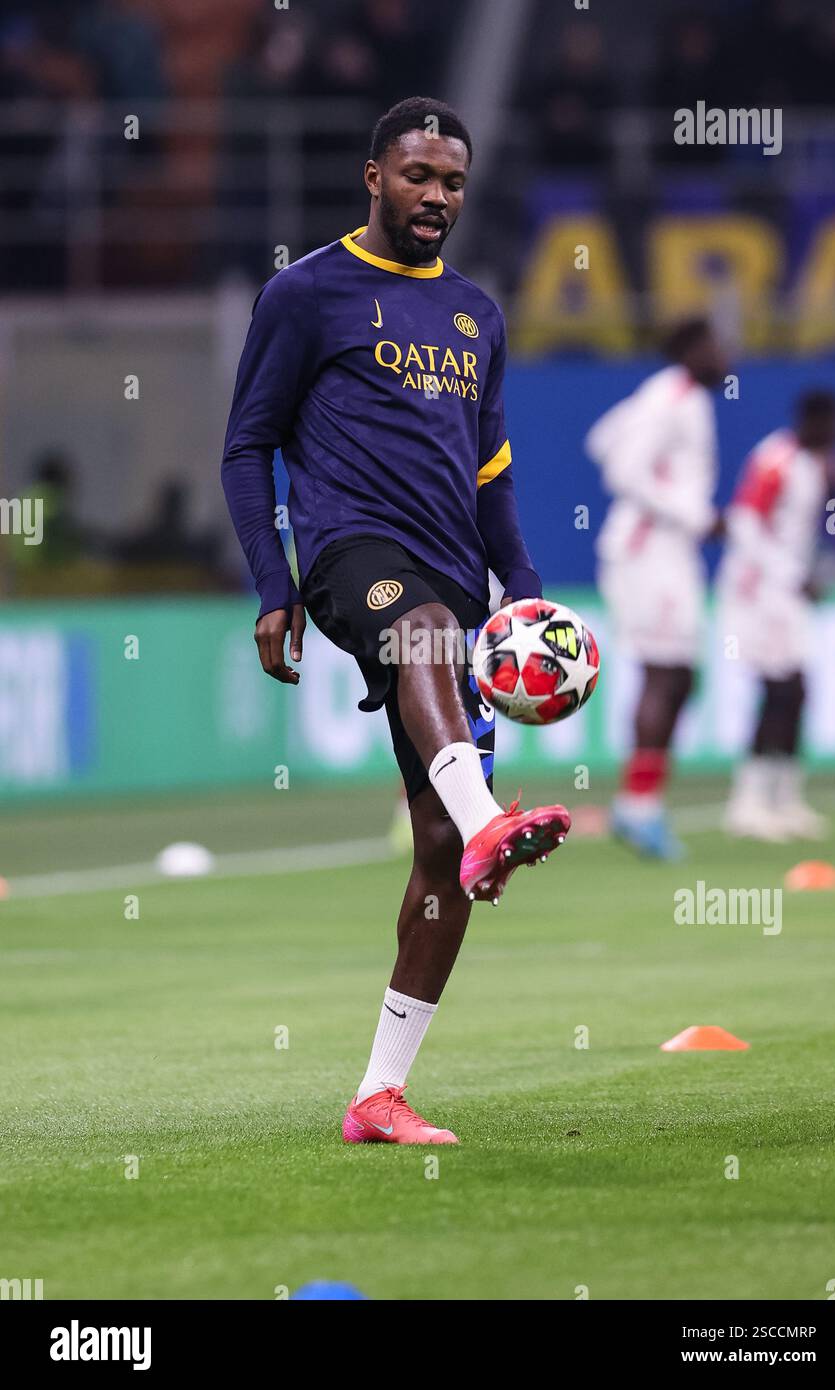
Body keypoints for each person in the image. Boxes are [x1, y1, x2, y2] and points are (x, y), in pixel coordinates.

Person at [221, 97, 570, 1146]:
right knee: (419, 630)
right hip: (349, 555)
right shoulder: (306, 293)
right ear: (374, 176)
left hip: (460, 579)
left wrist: (520, 580)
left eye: (452, 182)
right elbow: (247, 445)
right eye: (417, 175)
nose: (436, 197)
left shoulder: (475, 313)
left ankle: (378, 1093)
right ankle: (487, 820)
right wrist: (271, 584)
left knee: (432, 855)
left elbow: (491, 470)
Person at [586, 318, 728, 859]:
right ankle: (638, 808)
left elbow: (601, 439)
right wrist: (693, 512)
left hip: (668, 552)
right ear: (690, 350)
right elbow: (622, 469)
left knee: (681, 675)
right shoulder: (672, 396)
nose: (724, 354)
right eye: (714, 344)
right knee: (665, 673)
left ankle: (641, 803)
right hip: (649, 551)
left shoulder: (676, 396)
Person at [718, 391, 835, 841]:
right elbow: (745, 521)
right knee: (778, 689)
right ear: (812, 420)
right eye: (832, 422)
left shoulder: (812, 466)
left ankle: (785, 798)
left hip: (784, 593)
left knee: (796, 690)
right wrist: (792, 575)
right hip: (757, 593)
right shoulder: (778, 459)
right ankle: (748, 802)